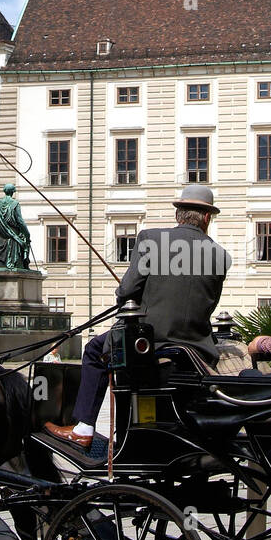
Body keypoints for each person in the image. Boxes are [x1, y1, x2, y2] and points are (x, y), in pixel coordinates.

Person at [44, 185, 231, 450]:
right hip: (195, 347)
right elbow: (208, 304)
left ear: (179, 215)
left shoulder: (151, 240)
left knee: (95, 350)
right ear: (207, 218)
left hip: (150, 342)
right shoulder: (221, 256)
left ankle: (84, 427)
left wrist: (126, 295)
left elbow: (128, 291)